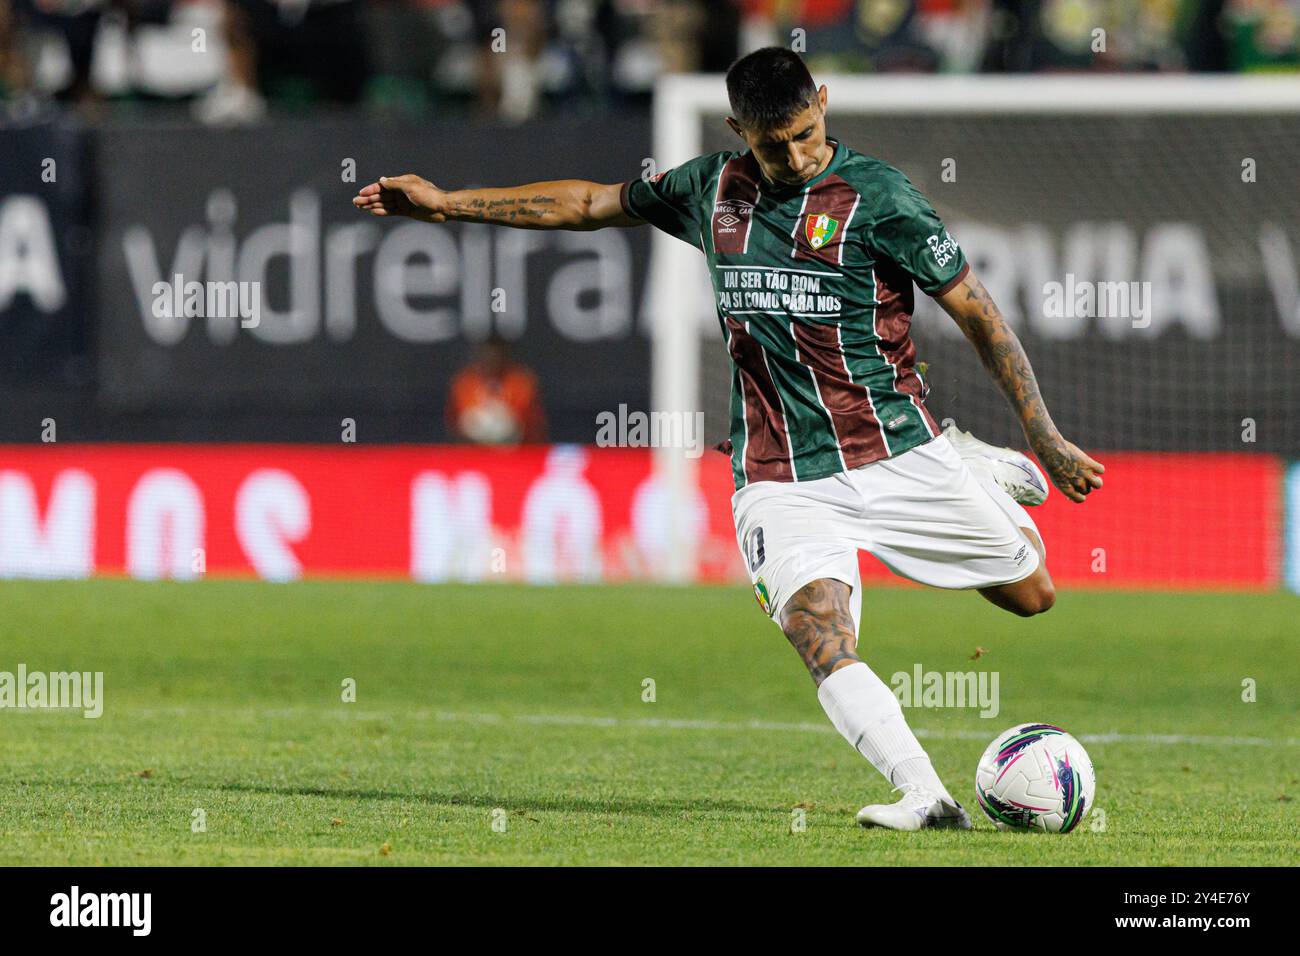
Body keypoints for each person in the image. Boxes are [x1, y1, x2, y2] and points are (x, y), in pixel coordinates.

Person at [352, 46, 1104, 831]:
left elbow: (977, 311)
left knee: (1032, 594)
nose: (793, 156)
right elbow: (585, 204)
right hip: (777, 473)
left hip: (896, 450)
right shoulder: (712, 187)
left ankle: (974, 466)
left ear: (823, 101)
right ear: (736, 129)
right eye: (771, 143)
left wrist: (1043, 434)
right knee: (817, 631)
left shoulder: (881, 199)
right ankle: (926, 793)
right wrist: (444, 205)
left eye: (806, 134)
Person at [446, 332, 547, 445]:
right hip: (472, 452)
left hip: (515, 451)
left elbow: (532, 424)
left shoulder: (521, 382)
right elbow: (455, 424)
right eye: (487, 354)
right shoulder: (465, 383)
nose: (491, 359)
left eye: (495, 355)